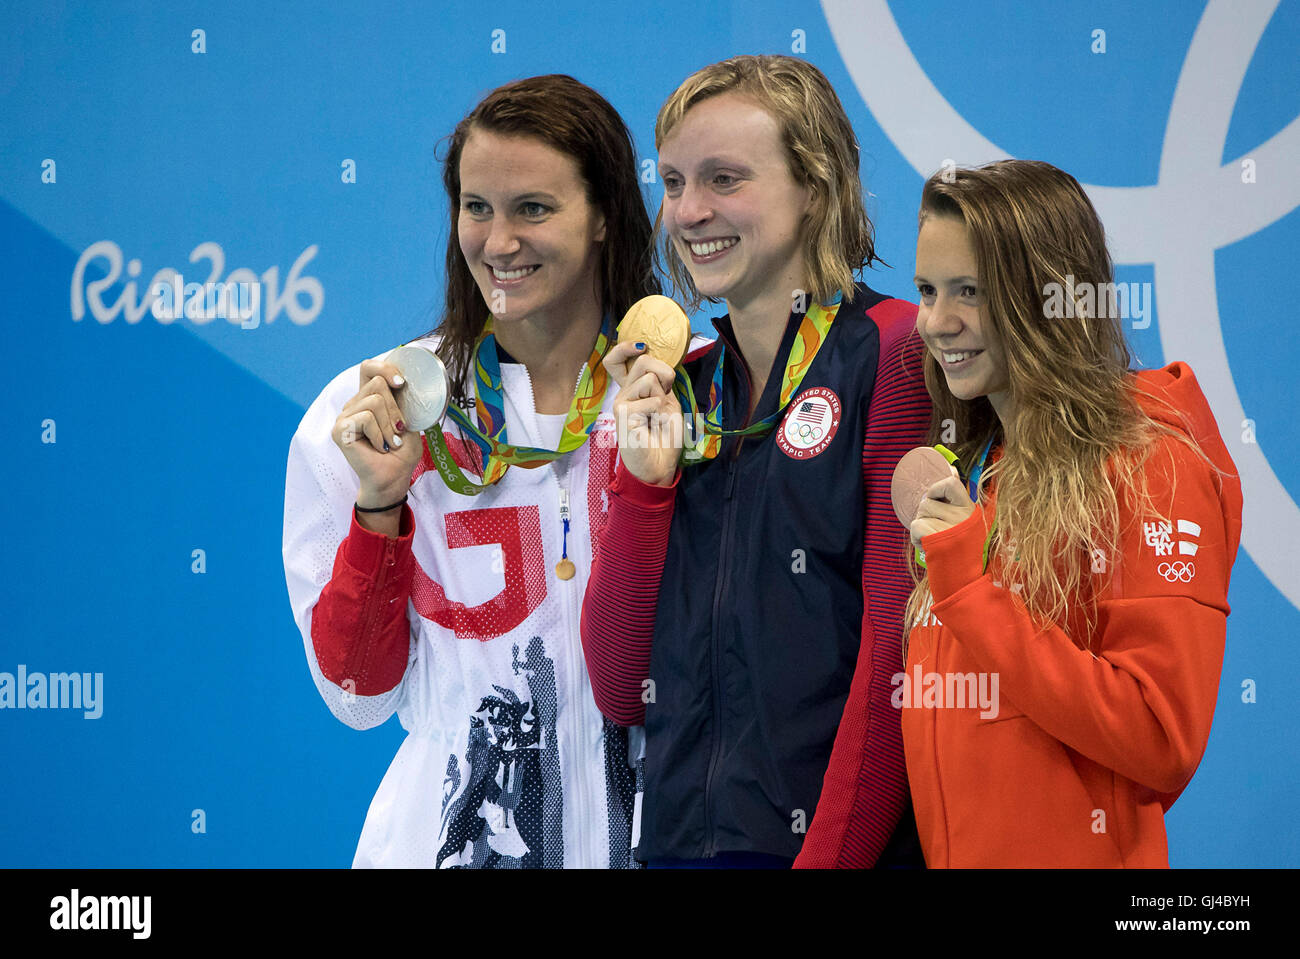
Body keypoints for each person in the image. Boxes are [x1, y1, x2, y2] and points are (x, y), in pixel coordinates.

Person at [283, 74, 665, 868]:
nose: (497, 242)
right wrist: (379, 505)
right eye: (476, 207)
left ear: (603, 217)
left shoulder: (680, 393)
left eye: (533, 207)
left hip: (660, 834)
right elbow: (357, 697)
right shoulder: (377, 411)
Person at [580, 54, 931, 868]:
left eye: (724, 178)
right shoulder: (680, 388)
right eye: (672, 182)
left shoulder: (900, 355)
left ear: (815, 185)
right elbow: (621, 685)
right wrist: (643, 484)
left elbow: (900, 662)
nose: (689, 211)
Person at [902, 159, 1243, 866]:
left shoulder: (1151, 461)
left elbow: (1161, 733)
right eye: (928, 290)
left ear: (1049, 295)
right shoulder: (983, 467)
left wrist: (970, 586)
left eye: (971, 290)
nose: (937, 322)